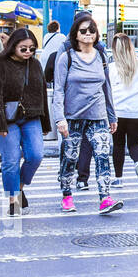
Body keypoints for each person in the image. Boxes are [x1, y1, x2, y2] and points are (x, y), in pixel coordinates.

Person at [52, 14, 120, 215]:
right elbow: (58, 89)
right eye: (83, 31)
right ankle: (66, 195)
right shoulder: (67, 57)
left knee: (102, 154)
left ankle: (105, 198)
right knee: (70, 157)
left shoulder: (101, 56)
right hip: (72, 116)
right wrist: (59, 118)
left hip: (98, 115)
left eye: (92, 30)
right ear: (76, 34)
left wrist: (112, 115)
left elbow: (106, 86)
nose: (88, 34)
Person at [0, 28, 49, 217]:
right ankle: (13, 200)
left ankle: (20, 187)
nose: (28, 52)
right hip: (5, 117)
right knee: (11, 161)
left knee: (36, 156)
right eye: (23, 49)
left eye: (32, 48)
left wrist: (46, 124)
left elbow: (43, 94)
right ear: (13, 46)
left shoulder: (36, 65)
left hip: (31, 116)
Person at [109, 34, 138, 187]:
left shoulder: (112, 67)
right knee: (135, 144)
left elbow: (107, 91)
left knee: (118, 145)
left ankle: (119, 178)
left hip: (118, 112)